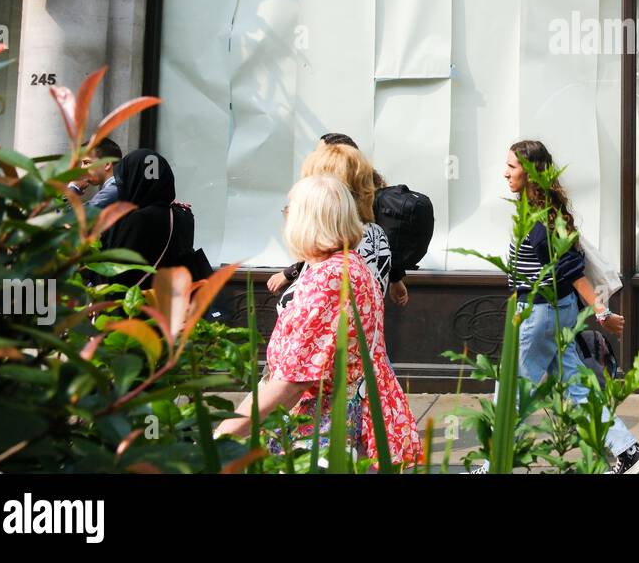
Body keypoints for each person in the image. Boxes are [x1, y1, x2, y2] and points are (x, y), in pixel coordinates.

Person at [217, 174, 422, 468]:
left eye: (289, 210)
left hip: (326, 427)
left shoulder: (329, 277)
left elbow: (292, 383)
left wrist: (218, 441)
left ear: (307, 220)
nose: (286, 218)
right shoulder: (348, 263)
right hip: (356, 415)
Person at [474, 138, 639, 474]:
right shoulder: (542, 212)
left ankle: (494, 466)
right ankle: (628, 451)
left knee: (511, 391)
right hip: (556, 312)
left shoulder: (538, 220)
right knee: (578, 387)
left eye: (511, 167)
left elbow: (570, 272)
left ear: (529, 173)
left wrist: (601, 311)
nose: (505, 173)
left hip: (538, 315)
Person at [268, 132, 408, 308]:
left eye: (321, 156)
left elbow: (313, 314)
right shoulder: (372, 230)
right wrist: (396, 278)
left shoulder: (334, 263)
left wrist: (290, 274)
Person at [99, 148, 195, 289]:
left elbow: (116, 273)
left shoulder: (137, 219)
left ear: (132, 179)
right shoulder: (183, 213)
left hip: (136, 299)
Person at [67, 137, 122, 213]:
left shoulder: (113, 191)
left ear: (107, 164)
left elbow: (73, 216)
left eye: (87, 163)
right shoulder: (115, 188)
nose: (82, 168)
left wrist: (73, 188)